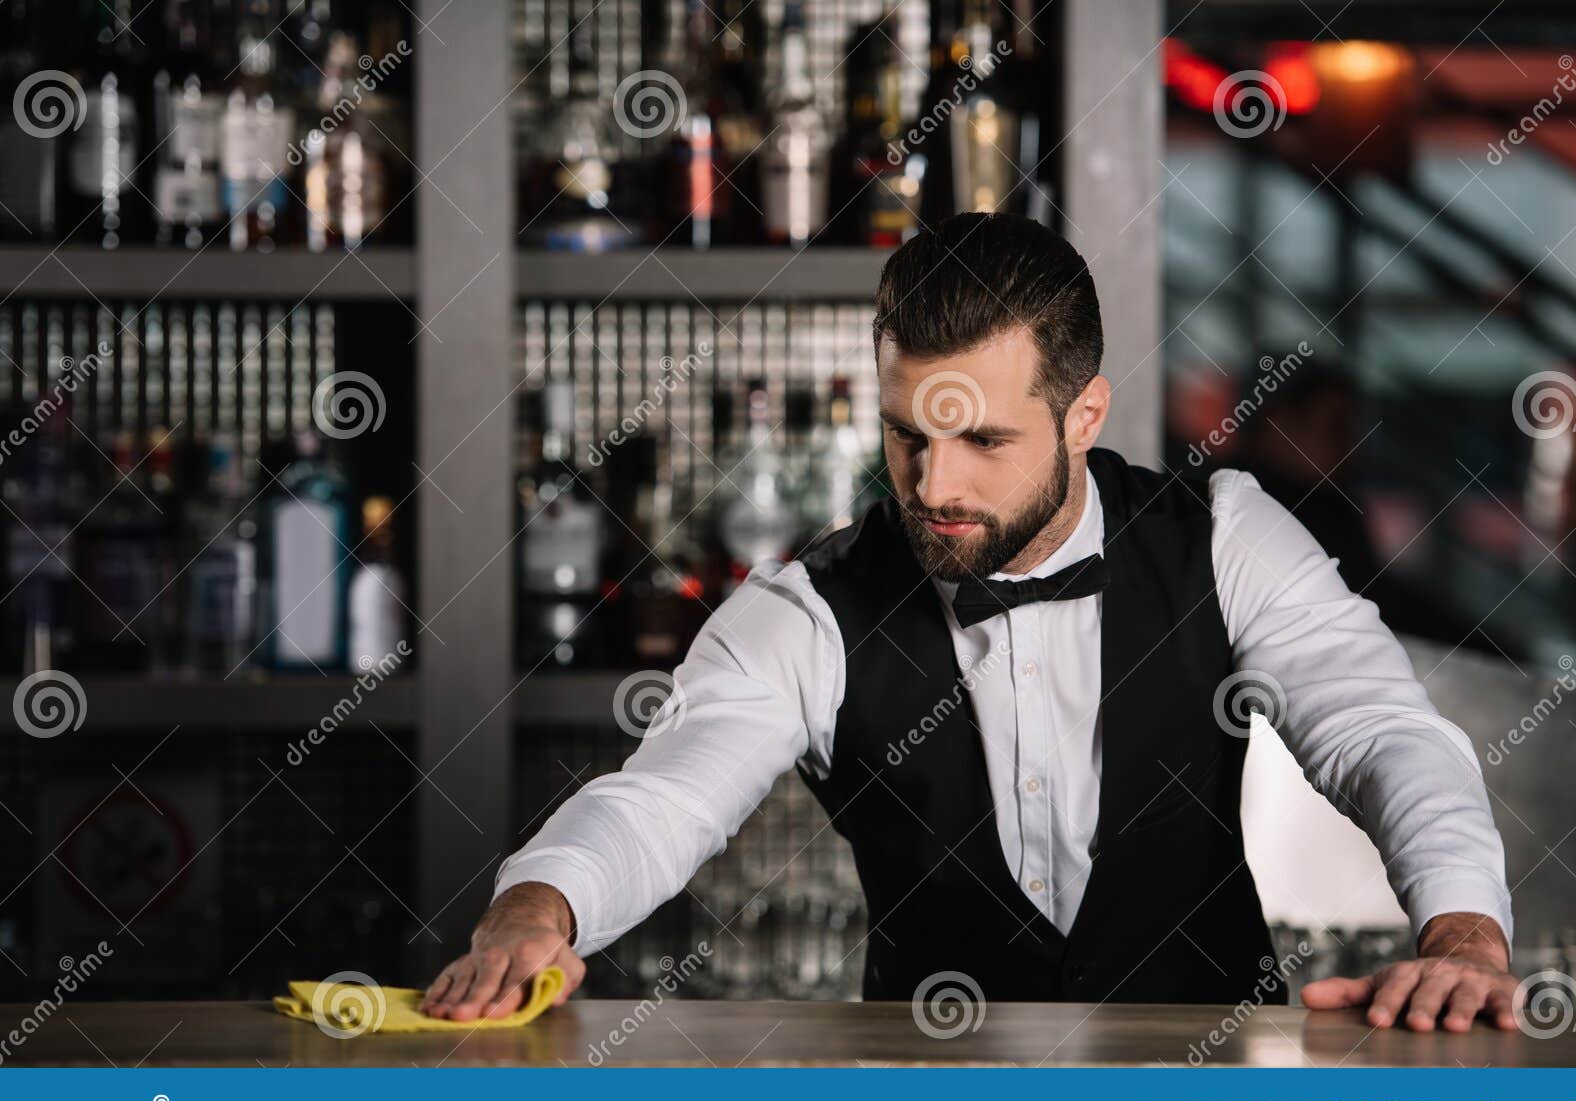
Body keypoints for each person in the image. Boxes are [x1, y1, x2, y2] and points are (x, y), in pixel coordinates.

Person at [423, 212, 1519, 1033]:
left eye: (983, 442)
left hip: (1207, 1096)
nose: (933, 484)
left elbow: (1382, 734)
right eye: (908, 433)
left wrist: (1463, 934)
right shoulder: (808, 608)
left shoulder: (1222, 535)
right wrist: (539, 909)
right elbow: (665, 797)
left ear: (1083, 414)